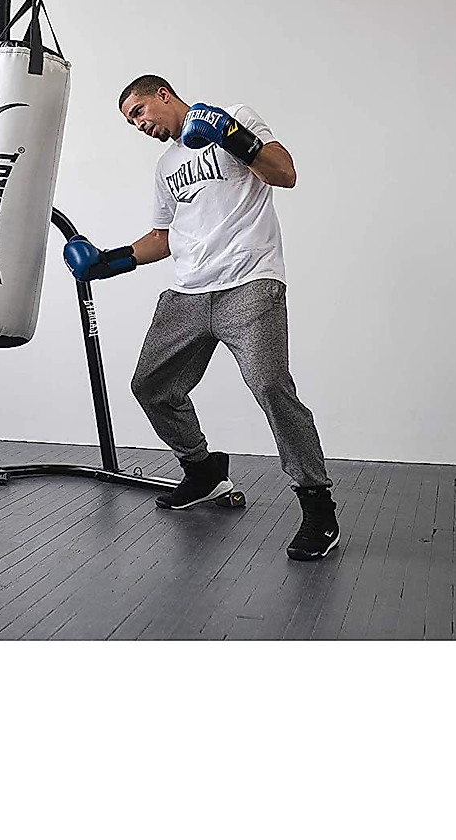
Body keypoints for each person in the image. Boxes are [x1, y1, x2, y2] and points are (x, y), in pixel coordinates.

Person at [62, 74, 339, 560]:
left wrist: (230, 134)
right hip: (187, 293)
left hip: (249, 282)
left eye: (139, 112)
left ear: (163, 95)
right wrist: (109, 260)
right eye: (130, 122)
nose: (139, 125)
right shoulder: (166, 165)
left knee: (271, 387)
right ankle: (203, 470)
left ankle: (317, 504)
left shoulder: (234, 118)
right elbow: (164, 236)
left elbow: (284, 173)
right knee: (151, 387)